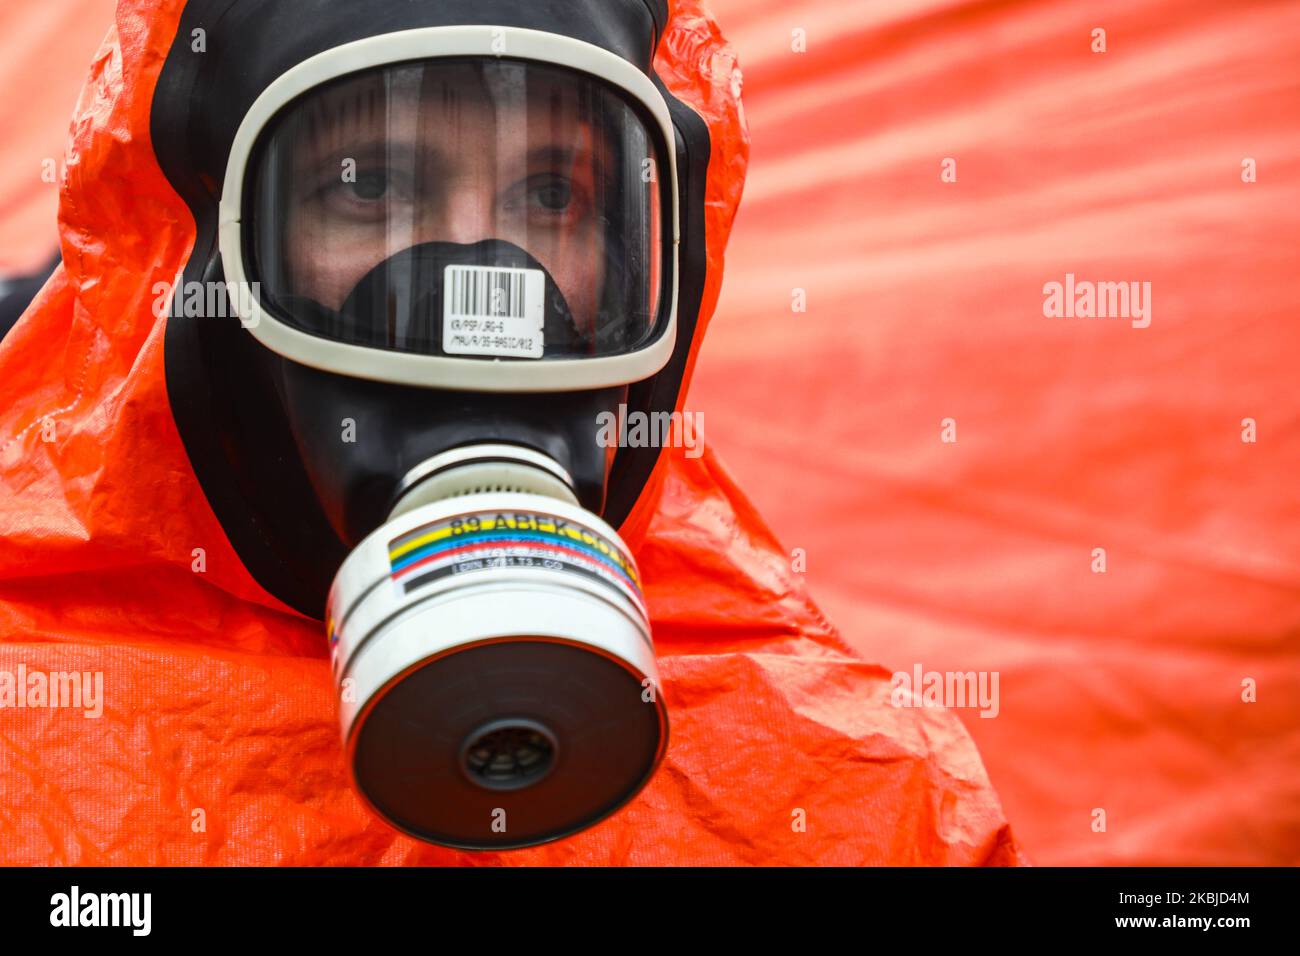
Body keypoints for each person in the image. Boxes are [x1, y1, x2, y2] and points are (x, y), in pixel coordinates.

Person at [0, 0, 1025, 864]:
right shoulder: (36, 723)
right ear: (207, 253)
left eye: (549, 195)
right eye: (366, 185)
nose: (473, 292)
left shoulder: (845, 789)